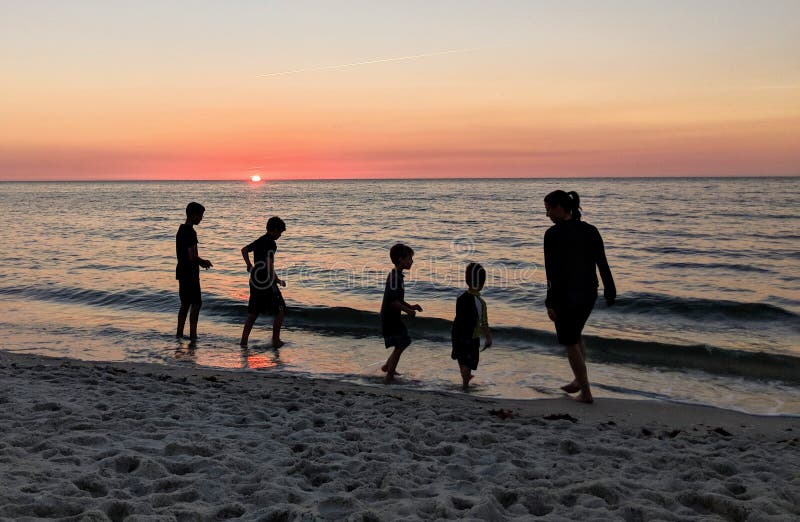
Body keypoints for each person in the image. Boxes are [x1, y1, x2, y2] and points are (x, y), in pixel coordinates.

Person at [543, 190, 616, 403]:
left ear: (559, 208)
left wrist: (550, 301)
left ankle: (586, 392)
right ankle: (579, 380)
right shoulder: (591, 231)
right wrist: (610, 290)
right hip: (588, 293)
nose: (547, 215)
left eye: (548, 209)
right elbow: (602, 263)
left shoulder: (553, 234)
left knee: (569, 340)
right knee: (575, 334)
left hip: (566, 295)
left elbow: (551, 272)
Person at [240, 216, 287, 347]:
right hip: (265, 281)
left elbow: (244, 250)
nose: (279, 236)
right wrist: (276, 279)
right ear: (275, 230)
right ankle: (275, 340)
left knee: (253, 312)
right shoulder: (271, 243)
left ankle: (243, 341)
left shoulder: (260, 240)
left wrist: (249, 264)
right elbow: (269, 263)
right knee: (281, 309)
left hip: (254, 279)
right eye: (280, 233)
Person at [380, 243, 423, 384]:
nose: (412, 261)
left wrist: (411, 306)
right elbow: (392, 301)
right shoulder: (395, 278)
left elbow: (398, 299)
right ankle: (389, 376)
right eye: (409, 258)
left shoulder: (398, 276)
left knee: (403, 341)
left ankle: (388, 366)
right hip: (389, 316)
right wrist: (408, 311)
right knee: (401, 342)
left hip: (392, 316)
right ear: (400, 260)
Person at [451, 262, 493, 390]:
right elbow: (484, 323)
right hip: (471, 337)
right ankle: (465, 382)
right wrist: (488, 338)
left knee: (460, 355)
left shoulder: (459, 295)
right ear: (482, 284)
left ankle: (465, 376)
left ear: (467, 279)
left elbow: (458, 314)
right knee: (469, 361)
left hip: (457, 333)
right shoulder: (480, 303)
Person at [175, 202, 213, 341]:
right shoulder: (190, 232)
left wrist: (200, 262)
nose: (201, 219)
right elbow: (192, 256)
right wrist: (204, 262)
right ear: (193, 215)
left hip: (181, 271)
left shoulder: (180, 230)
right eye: (200, 216)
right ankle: (193, 335)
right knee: (196, 304)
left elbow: (186, 255)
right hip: (190, 273)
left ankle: (179, 333)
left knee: (185, 303)